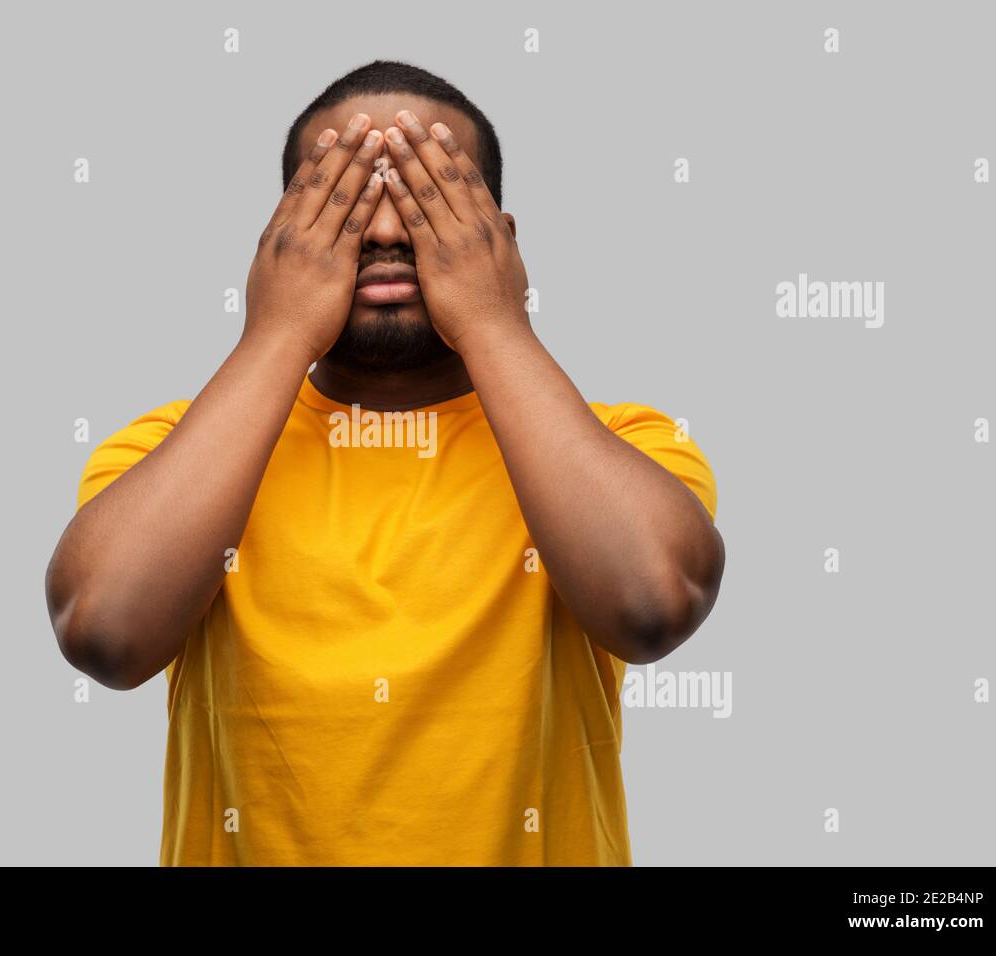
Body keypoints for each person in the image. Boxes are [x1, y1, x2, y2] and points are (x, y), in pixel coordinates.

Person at [45, 60, 725, 866]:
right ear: (282, 237)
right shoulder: (171, 449)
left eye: (429, 196)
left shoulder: (623, 443)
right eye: (344, 198)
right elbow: (106, 634)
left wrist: (494, 319)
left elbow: (651, 605)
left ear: (500, 240)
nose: (387, 233)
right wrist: (278, 330)